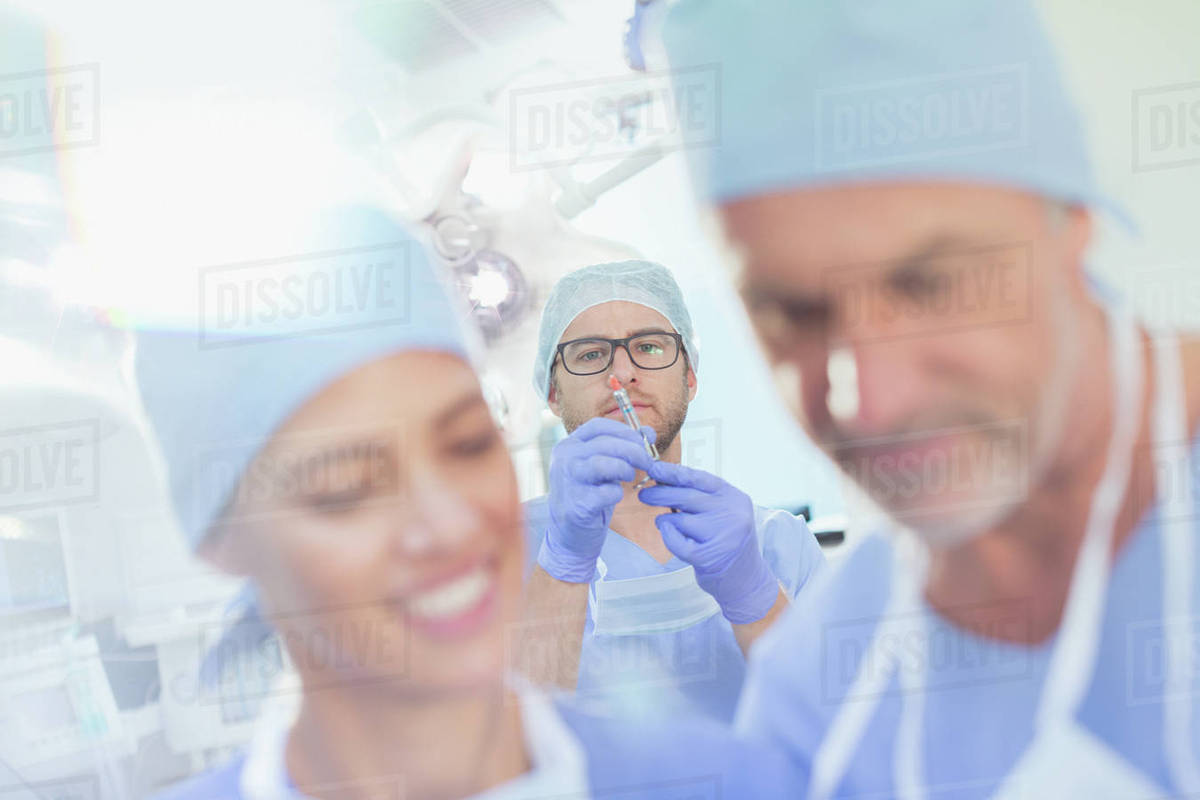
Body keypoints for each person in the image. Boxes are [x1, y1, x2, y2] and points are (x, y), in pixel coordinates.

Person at [662, 0, 1200, 798]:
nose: (867, 401)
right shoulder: (819, 691)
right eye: (794, 315)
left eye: (934, 285)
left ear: (1072, 217)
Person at [140, 205, 793, 800]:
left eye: (469, 445)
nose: (447, 524)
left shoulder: (731, 782)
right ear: (221, 540)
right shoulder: (555, 538)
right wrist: (565, 560)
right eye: (346, 490)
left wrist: (754, 594)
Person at [521, 259, 826, 723]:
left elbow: (838, 734)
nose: (621, 374)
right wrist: (562, 564)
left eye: (648, 346)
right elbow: (496, 759)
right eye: (588, 354)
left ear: (690, 377)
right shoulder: (496, 550)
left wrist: (756, 596)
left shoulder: (776, 545)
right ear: (552, 394)